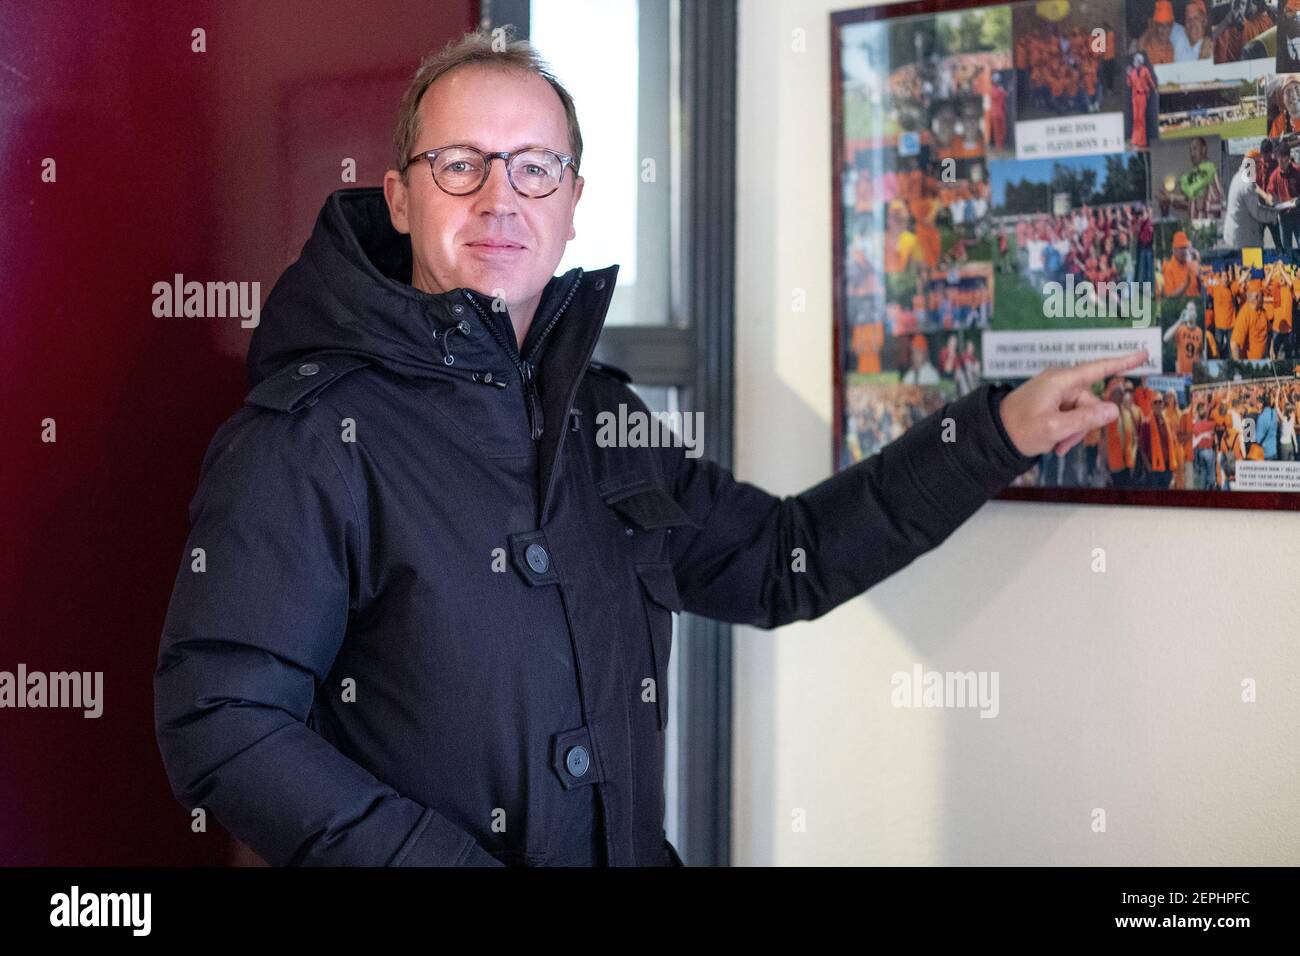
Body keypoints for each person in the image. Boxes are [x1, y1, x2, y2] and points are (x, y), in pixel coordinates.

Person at [151, 28, 1153, 868]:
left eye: (534, 167)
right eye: (460, 165)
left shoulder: (602, 417)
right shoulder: (311, 435)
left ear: (574, 199)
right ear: (401, 196)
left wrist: (995, 432)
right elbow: (224, 718)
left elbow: (779, 560)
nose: (501, 199)